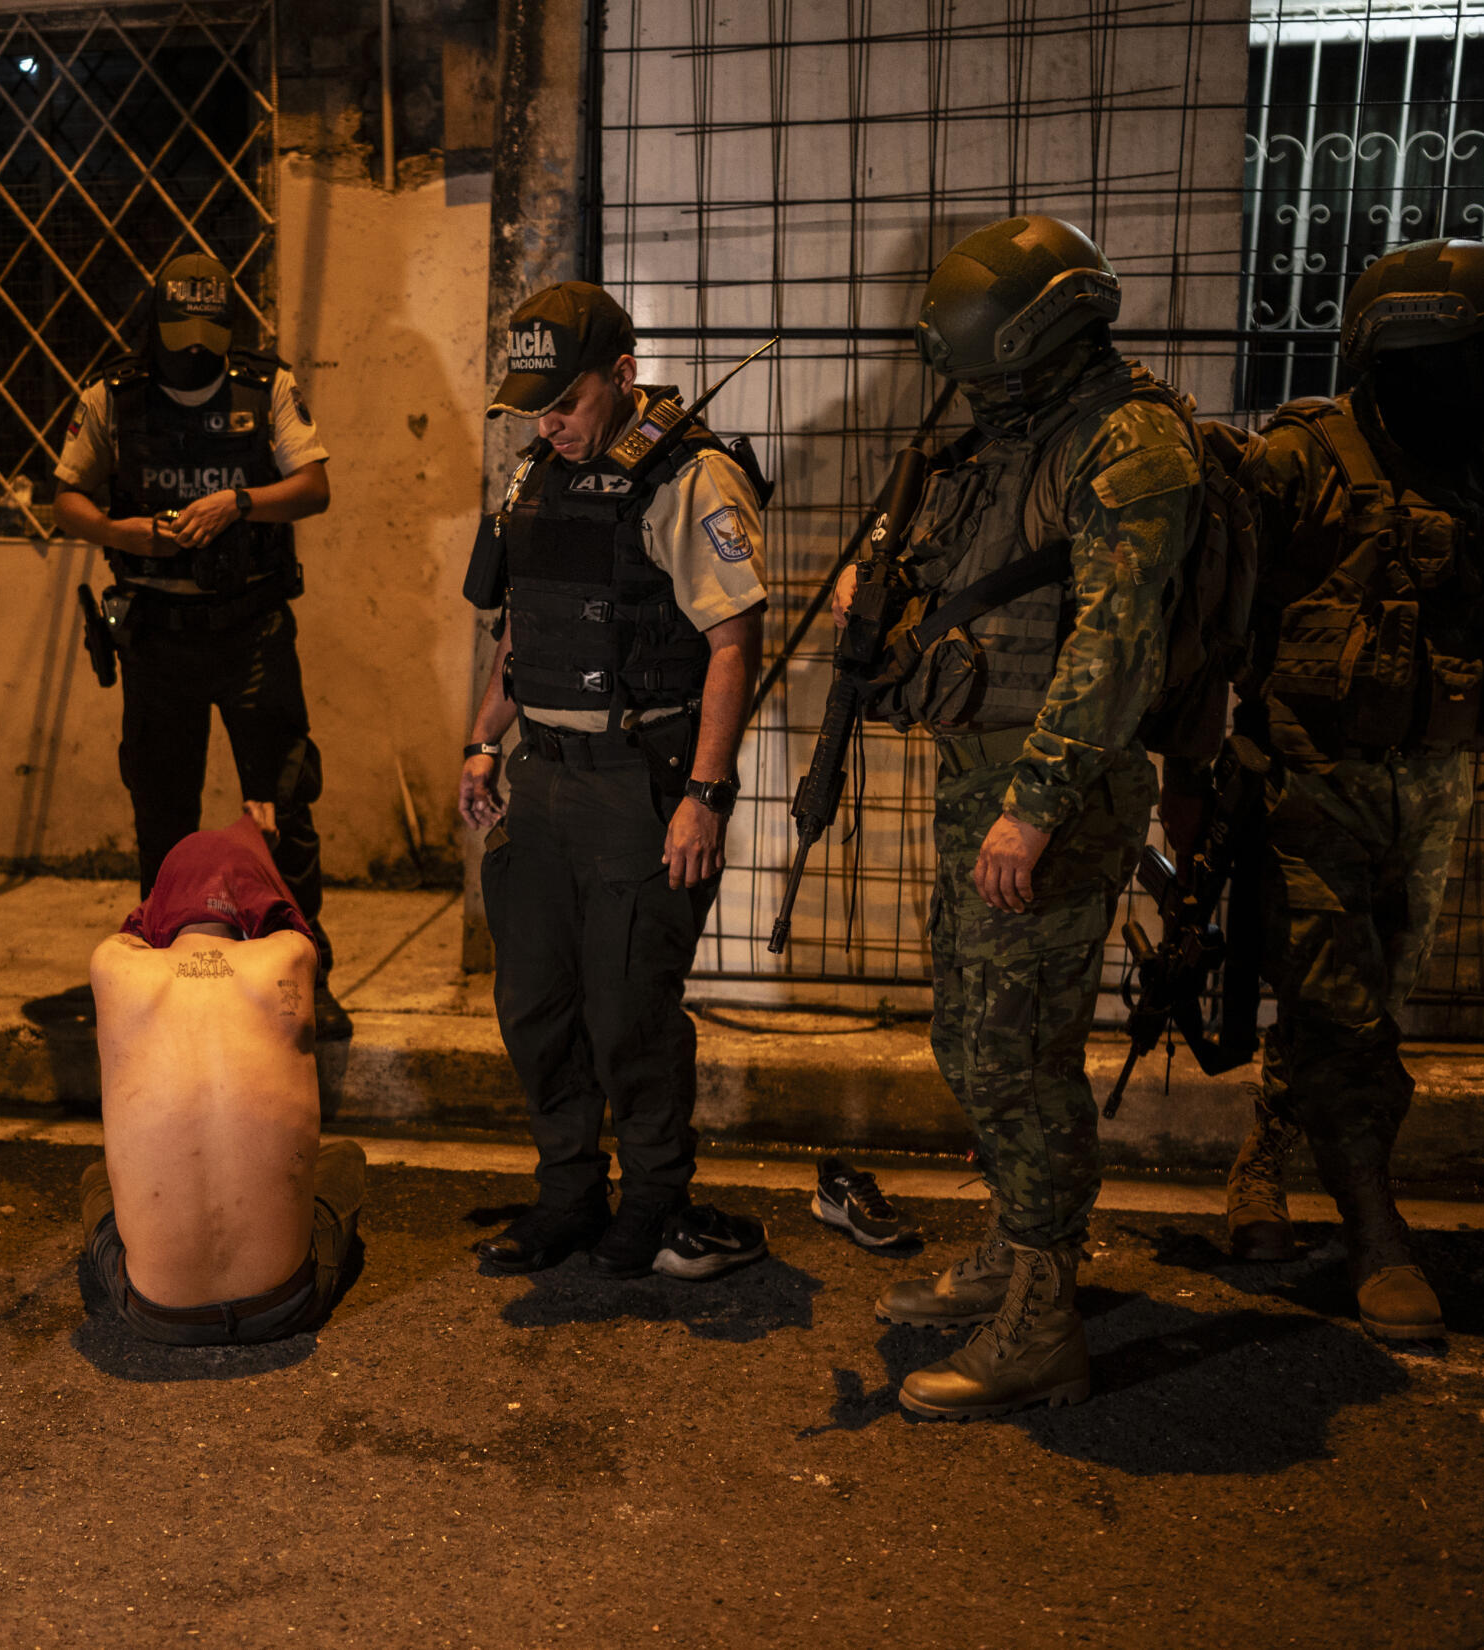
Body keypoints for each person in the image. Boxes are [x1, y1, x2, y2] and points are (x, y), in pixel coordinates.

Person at [849, 216, 1202, 1417]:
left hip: (1050, 798)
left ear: (1043, 335)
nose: (972, 388)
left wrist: (1035, 808)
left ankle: (1043, 1323)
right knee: (966, 1037)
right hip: (981, 782)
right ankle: (1013, 1251)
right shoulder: (1016, 436)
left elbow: (1114, 644)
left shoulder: (1126, 439)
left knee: (1019, 1056)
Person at [1217, 239, 1484, 1339]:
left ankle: (1265, 1153)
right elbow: (1212, 626)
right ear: (1426, 348)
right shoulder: (1300, 460)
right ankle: (1376, 1236)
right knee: (1341, 1008)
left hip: (1433, 785)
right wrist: (1188, 776)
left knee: (1371, 1000)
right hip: (1310, 779)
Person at [455, 280, 771, 1283]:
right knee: (535, 1009)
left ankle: (654, 1201)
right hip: (543, 780)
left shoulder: (691, 478)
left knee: (628, 1010)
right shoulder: (536, 477)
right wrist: (480, 742)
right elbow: (523, 626)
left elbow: (733, 642)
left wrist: (704, 797)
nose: (548, 424)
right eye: (534, 407)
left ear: (623, 375)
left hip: (641, 785)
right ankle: (566, 1197)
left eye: (565, 402)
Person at [51, 253, 350, 1036]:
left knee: (284, 804)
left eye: (206, 335)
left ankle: (304, 976)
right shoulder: (114, 396)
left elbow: (314, 486)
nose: (192, 351)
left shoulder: (265, 386)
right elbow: (65, 497)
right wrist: (124, 533)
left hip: (252, 629)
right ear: (153, 326)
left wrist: (239, 503)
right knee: (163, 814)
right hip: (157, 636)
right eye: (178, 333)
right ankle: (165, 972)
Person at [80, 812, 364, 1344]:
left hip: (160, 1316)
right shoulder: (289, 957)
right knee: (345, 1158)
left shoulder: (114, 966)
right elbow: (284, 911)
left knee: (97, 1180)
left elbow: (141, 923)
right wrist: (253, 845)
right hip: (285, 1305)